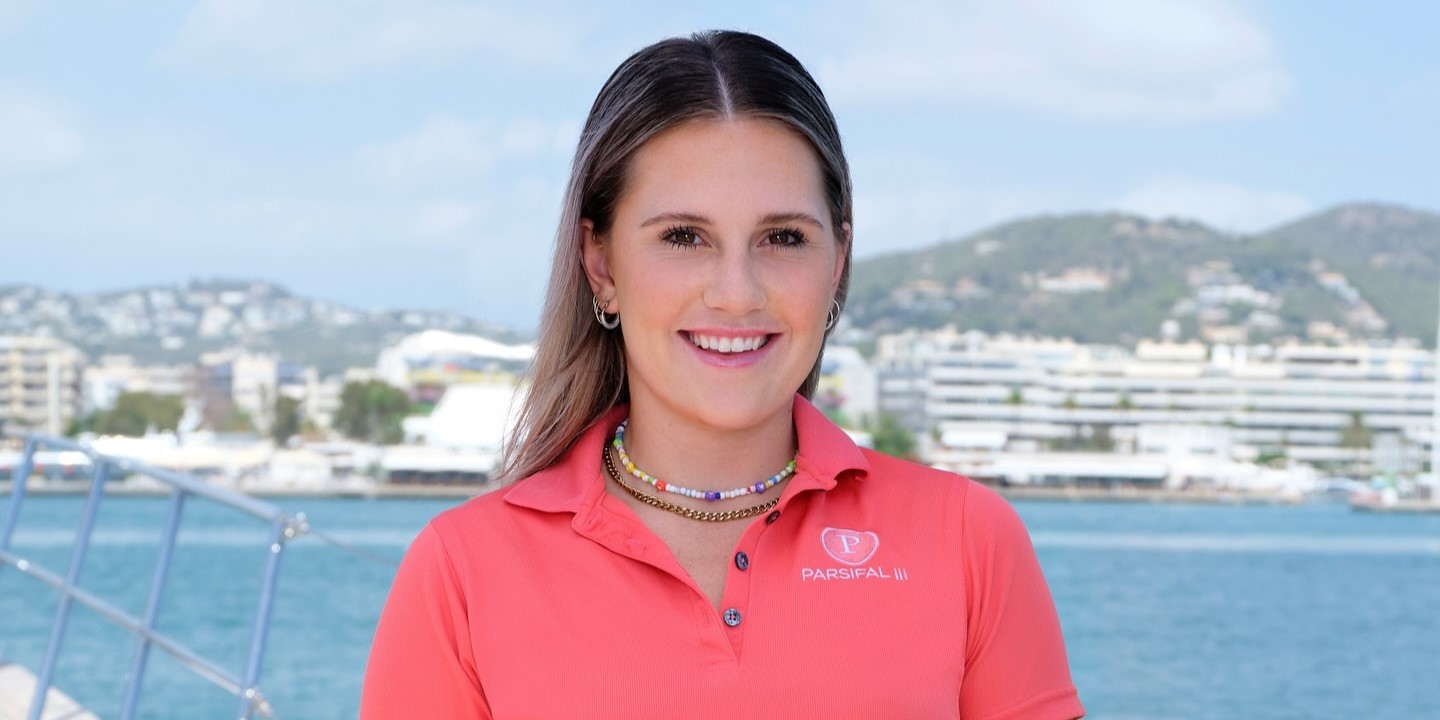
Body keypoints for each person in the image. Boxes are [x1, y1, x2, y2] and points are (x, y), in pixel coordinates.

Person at [361, 30, 1084, 719]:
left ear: (837, 262)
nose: (737, 293)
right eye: (684, 237)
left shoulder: (969, 540)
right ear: (601, 264)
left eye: (783, 238)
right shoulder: (462, 571)